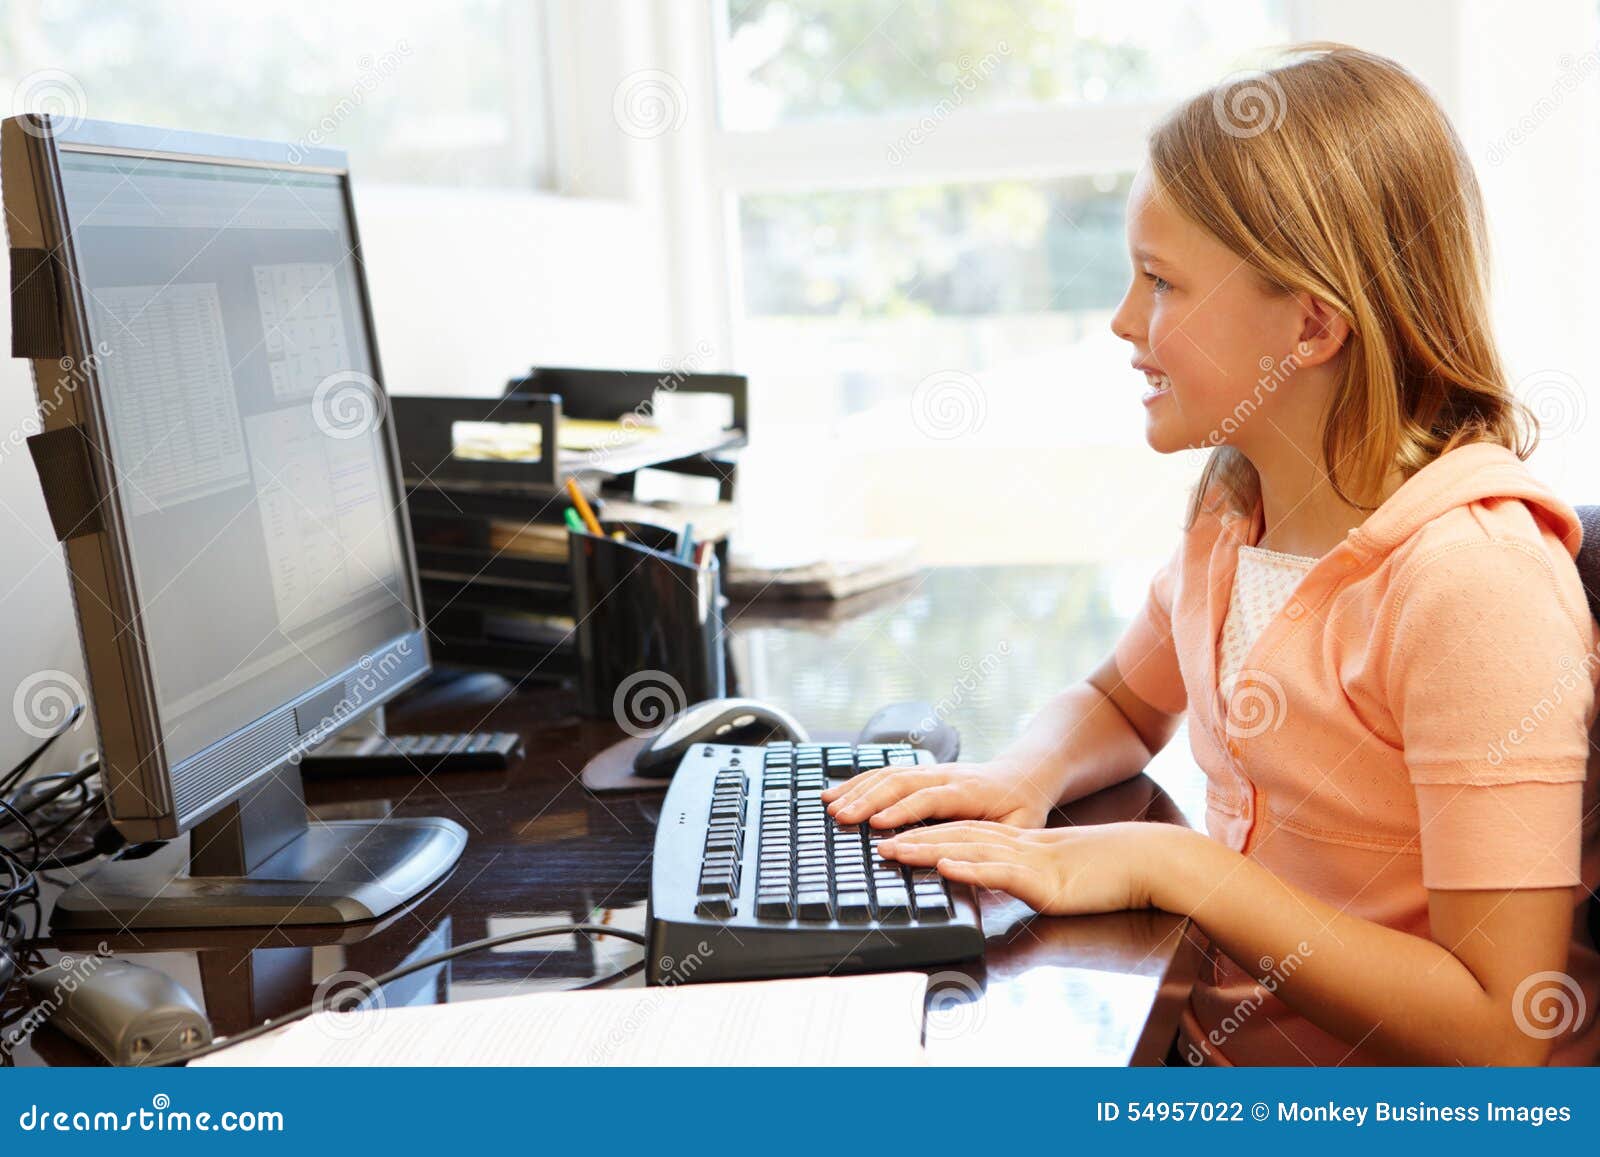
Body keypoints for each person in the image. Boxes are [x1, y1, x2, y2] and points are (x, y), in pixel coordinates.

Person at [824, 44, 1599, 1066]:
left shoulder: (1472, 581)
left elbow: (1500, 1029)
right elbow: (1120, 700)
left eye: (1158, 281)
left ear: (1313, 321)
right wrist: (1022, 772)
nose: (1118, 321)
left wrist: (1174, 865)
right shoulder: (1237, 512)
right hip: (1203, 1042)